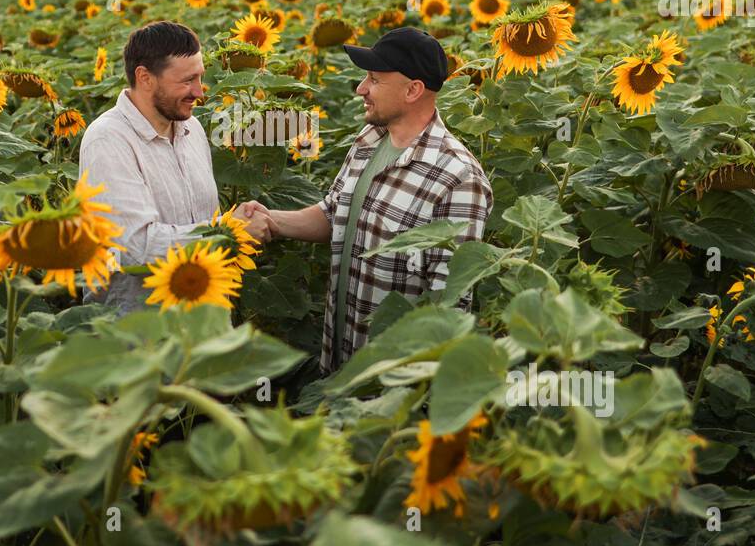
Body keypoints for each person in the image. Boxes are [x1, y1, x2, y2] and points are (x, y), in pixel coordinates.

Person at [241, 27, 492, 373]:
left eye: (374, 79)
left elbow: (449, 303)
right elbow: (333, 214)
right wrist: (270, 219)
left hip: (388, 379)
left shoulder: (458, 178)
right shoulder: (369, 139)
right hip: (338, 353)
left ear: (413, 90)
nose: (361, 88)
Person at [80, 20, 271, 313]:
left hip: (203, 314)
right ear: (145, 77)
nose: (199, 92)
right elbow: (135, 248)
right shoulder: (108, 140)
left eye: (200, 78)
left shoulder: (191, 128)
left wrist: (235, 222)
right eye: (186, 81)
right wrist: (230, 232)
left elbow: (203, 218)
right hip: (140, 331)